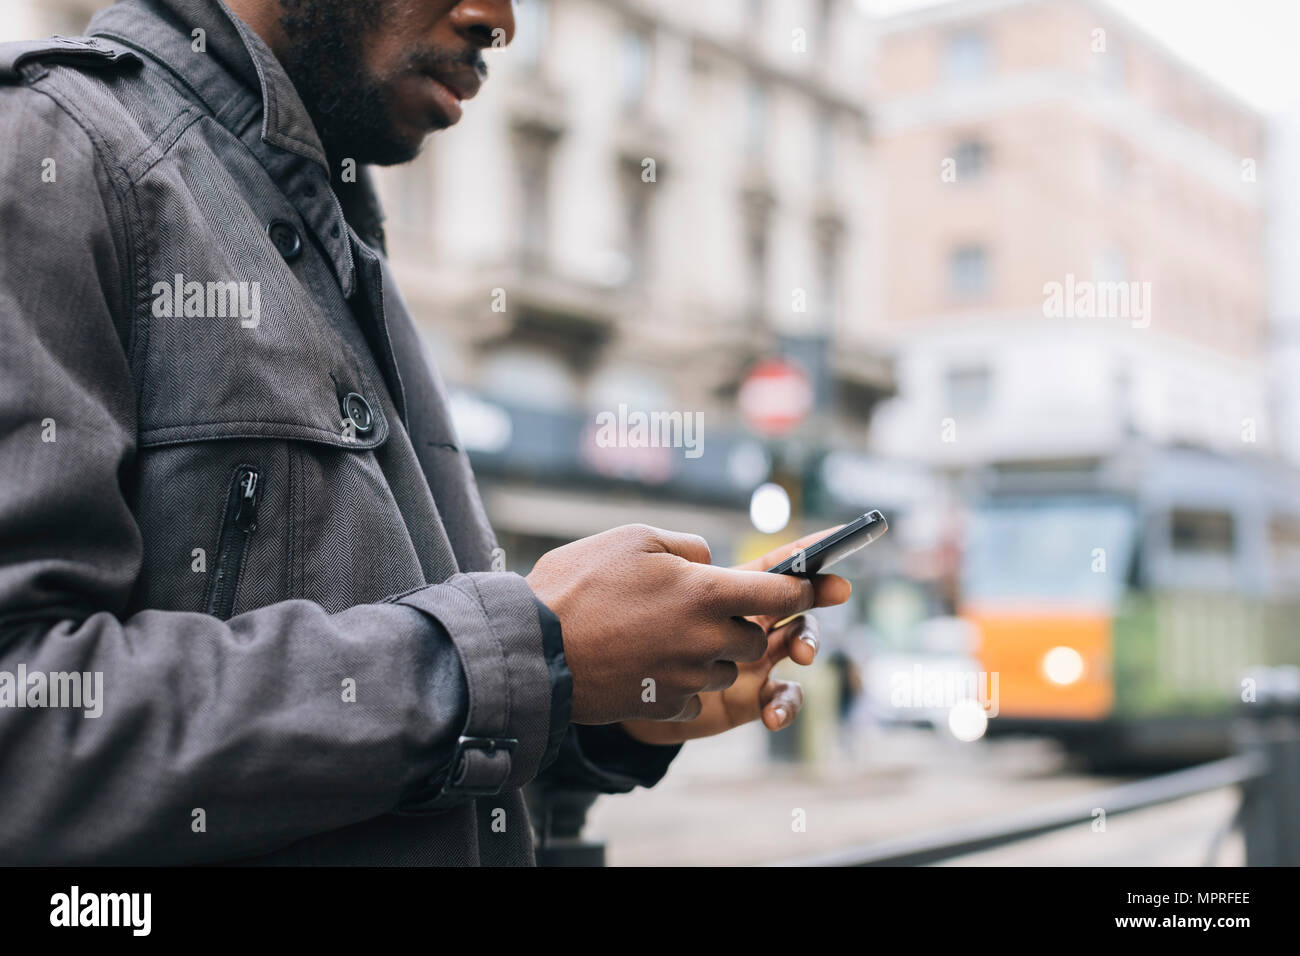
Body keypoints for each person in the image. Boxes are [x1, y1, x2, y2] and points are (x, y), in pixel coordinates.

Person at [0, 0, 850, 865]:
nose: (499, 20)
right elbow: (26, 726)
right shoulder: (53, 150)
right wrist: (522, 652)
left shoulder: (331, 230)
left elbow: (361, 778)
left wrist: (588, 705)